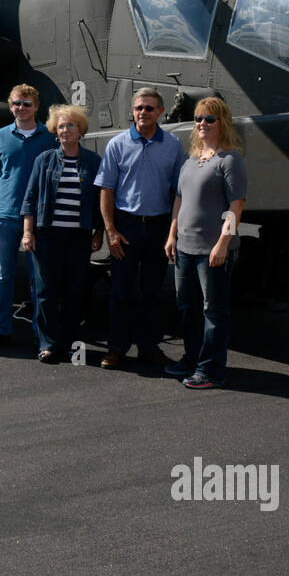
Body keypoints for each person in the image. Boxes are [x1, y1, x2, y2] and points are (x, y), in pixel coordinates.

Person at [95, 87, 186, 370]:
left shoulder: (172, 144)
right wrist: (110, 230)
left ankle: (149, 347)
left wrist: (173, 230)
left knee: (152, 292)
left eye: (149, 108)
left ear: (160, 111)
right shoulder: (117, 144)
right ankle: (116, 348)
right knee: (121, 292)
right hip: (126, 227)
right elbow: (106, 190)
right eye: (138, 108)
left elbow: (179, 191)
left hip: (157, 227)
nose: (143, 113)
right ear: (132, 111)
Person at [165, 97, 247, 389]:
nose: (202, 123)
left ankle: (211, 370)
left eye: (209, 119)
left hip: (211, 250)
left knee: (213, 310)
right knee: (186, 306)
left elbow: (236, 206)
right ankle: (191, 359)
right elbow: (179, 199)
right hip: (185, 248)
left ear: (221, 123)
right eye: (199, 118)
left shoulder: (229, 159)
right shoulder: (191, 159)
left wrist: (223, 243)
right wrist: (172, 234)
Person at [20, 105, 104, 363]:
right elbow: (30, 199)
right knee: (46, 292)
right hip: (47, 236)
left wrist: (98, 231)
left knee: (74, 292)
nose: (65, 130)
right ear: (55, 131)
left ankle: (69, 344)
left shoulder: (93, 161)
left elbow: (101, 200)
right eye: (61, 126)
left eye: (70, 126)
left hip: (78, 237)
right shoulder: (44, 160)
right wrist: (27, 233)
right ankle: (47, 344)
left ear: (81, 131)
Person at [0, 84, 57, 348]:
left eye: (26, 104)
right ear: (10, 105)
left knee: (39, 282)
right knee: (3, 278)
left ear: (36, 107)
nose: (20, 108)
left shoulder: (50, 137)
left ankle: (41, 334)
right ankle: (1, 329)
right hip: (6, 218)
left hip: (39, 220)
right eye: (15, 103)